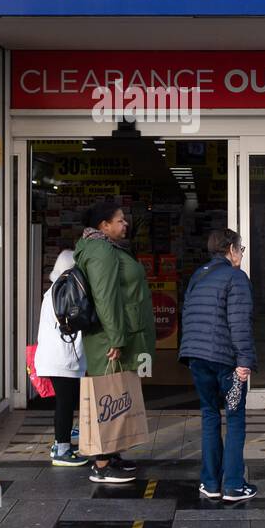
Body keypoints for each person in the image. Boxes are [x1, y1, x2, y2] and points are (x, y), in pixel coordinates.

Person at [75, 199, 155, 484]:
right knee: (106, 395)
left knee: (117, 395)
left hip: (118, 335)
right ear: (103, 226)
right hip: (110, 339)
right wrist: (117, 338)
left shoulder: (106, 248)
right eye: (119, 220)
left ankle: (113, 454)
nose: (125, 224)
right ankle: (102, 463)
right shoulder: (100, 251)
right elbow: (106, 297)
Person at [178, 228, 257, 502]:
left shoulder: (198, 275)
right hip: (227, 363)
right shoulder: (236, 277)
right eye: (241, 249)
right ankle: (234, 485)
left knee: (210, 414)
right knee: (235, 418)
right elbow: (240, 324)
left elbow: (188, 316)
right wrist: (244, 361)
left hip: (197, 359)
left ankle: (210, 483)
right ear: (231, 249)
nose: (241, 255)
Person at [33, 249, 88, 466]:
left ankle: (63, 442)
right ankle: (61, 448)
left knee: (67, 400)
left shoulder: (54, 290)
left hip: (58, 356)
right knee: (65, 402)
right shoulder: (66, 290)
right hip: (62, 358)